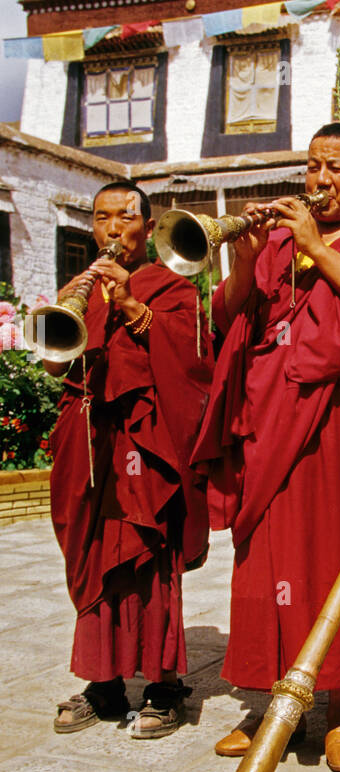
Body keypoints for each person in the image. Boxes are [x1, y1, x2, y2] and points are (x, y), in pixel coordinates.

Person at [192, 123, 340, 772]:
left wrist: (313, 247)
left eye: (334, 169)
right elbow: (229, 317)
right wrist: (244, 257)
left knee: (336, 561)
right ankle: (270, 705)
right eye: (312, 166)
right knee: (270, 561)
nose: (319, 181)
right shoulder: (272, 243)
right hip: (271, 422)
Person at [47, 183, 213, 738]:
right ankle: (104, 684)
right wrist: (71, 304)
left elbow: (192, 364)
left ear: (148, 226)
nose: (112, 228)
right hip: (92, 441)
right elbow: (54, 367)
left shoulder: (173, 288)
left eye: (124, 217)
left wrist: (134, 307)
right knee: (95, 556)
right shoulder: (82, 289)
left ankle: (163, 687)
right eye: (101, 218)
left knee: (145, 557)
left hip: (144, 444)